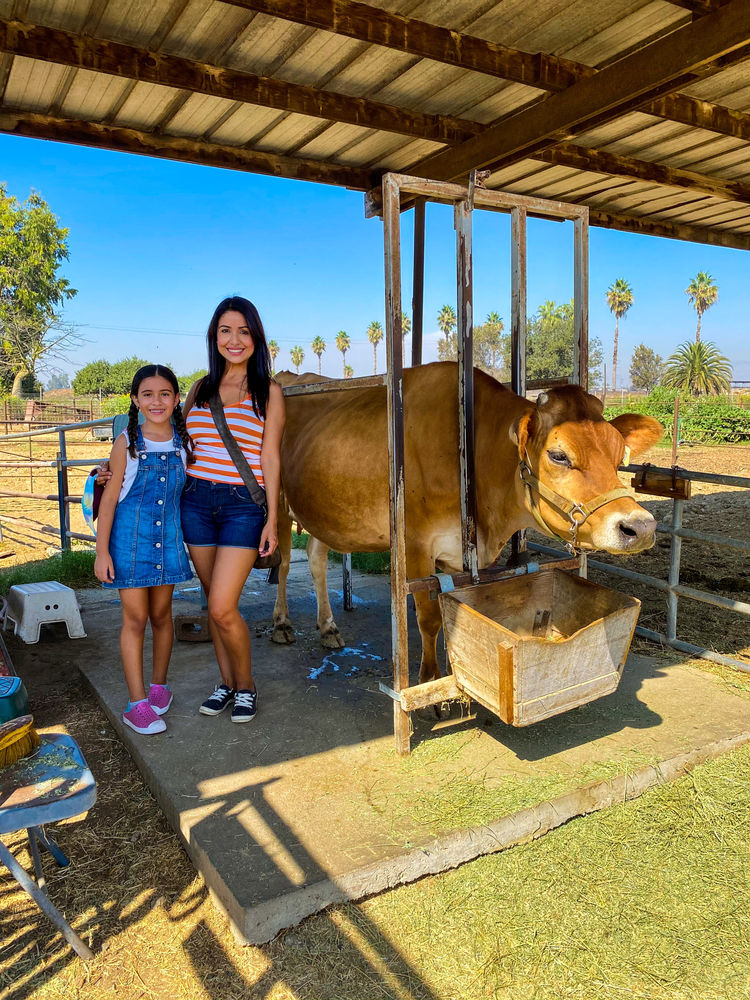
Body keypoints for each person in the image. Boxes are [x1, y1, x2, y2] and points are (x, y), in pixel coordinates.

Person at [181, 296, 285, 724]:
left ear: (256, 337)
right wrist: (116, 464)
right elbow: (174, 442)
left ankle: (246, 686)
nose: (235, 339)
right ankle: (225, 684)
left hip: (243, 506)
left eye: (244, 331)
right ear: (215, 337)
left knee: (224, 606)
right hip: (195, 501)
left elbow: (270, 458)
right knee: (213, 605)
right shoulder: (199, 389)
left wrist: (273, 520)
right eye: (226, 330)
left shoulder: (268, 392)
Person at [94, 365, 194, 735]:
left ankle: (158, 687)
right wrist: (102, 553)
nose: (157, 401)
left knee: (163, 616)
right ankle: (136, 703)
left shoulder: (184, 444)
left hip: (167, 542)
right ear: (135, 400)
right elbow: (109, 502)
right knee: (135, 620)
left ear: (177, 399)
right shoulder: (126, 443)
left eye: (165, 394)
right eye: (147, 394)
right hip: (129, 544)